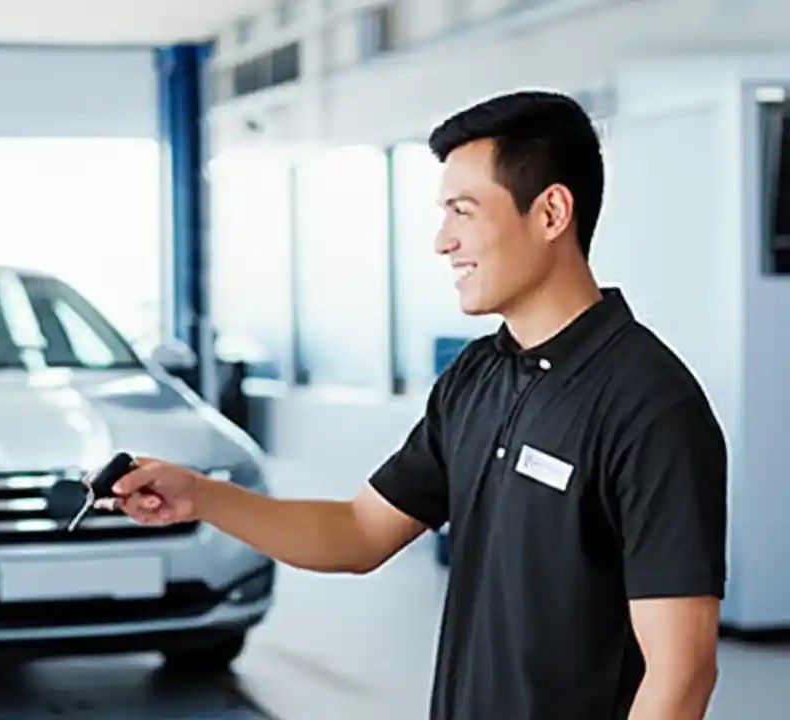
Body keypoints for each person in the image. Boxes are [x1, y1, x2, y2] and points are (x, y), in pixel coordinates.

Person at [103, 91, 727, 719]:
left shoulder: (649, 406)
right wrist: (201, 495)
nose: (442, 242)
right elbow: (358, 532)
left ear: (550, 212)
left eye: (463, 211)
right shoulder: (477, 376)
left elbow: (681, 673)